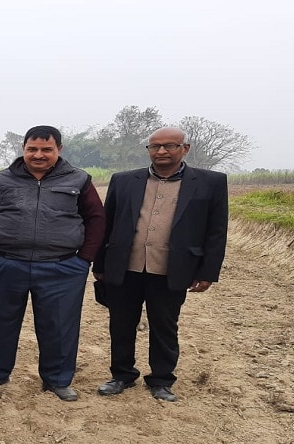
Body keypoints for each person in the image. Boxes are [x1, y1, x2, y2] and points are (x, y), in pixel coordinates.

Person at [92, 127, 228, 402]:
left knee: (165, 325)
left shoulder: (210, 182)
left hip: (171, 268)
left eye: (169, 146)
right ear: (148, 150)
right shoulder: (124, 181)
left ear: (185, 148)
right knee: (121, 324)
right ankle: (122, 375)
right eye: (155, 146)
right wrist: (100, 264)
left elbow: (216, 230)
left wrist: (207, 272)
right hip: (126, 267)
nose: (161, 151)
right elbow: (107, 224)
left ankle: (161, 379)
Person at [0, 126, 105, 401]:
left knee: (59, 325)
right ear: (23, 149)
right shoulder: (2, 180)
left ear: (59, 150)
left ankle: (57, 380)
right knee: (0, 322)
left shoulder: (79, 180)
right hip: (6, 264)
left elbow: (96, 219)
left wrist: (85, 259)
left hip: (63, 267)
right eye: (32, 149)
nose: (39, 155)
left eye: (47, 149)